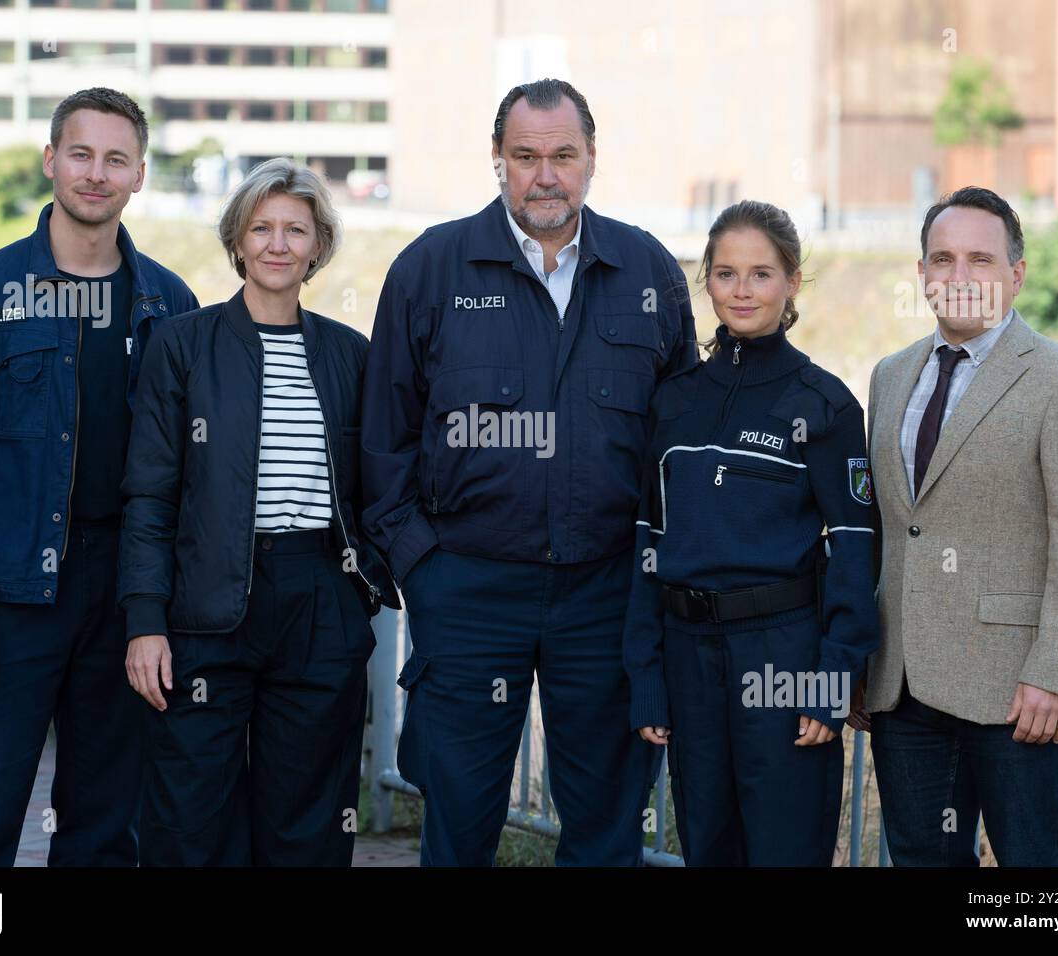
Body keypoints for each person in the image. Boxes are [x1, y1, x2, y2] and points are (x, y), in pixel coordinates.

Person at [362, 78, 698, 866]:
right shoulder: (429, 270)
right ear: (497, 160)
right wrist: (426, 572)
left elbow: (681, 441)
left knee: (607, 824)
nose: (545, 175)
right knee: (459, 817)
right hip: (470, 591)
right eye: (525, 157)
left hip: (608, 595)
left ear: (591, 160)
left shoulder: (648, 270)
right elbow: (382, 444)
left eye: (563, 156)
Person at [0, 88, 198, 865]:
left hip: (125, 598)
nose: (95, 174)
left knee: (106, 826)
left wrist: (158, 608)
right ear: (50, 162)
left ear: (139, 176)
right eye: (80, 154)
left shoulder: (170, 306)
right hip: (4, 595)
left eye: (115, 159)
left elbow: (194, 471)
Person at [118, 157, 396, 866]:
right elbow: (149, 494)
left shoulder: (350, 355)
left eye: (295, 230)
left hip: (319, 602)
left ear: (317, 246)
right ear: (237, 241)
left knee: (306, 818)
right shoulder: (182, 346)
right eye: (261, 228)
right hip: (207, 601)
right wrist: (145, 622)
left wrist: (363, 588)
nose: (278, 244)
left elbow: (378, 489)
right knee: (189, 816)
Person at [850, 186, 1058, 866]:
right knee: (921, 858)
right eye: (942, 259)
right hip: (902, 686)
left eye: (980, 258)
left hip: (1017, 691)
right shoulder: (890, 375)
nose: (959, 277)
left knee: (1033, 869)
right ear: (922, 275)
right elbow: (886, 529)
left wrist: (1056, 674)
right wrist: (859, 657)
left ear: (1016, 274)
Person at [623, 200, 879, 865]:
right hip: (688, 656)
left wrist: (832, 681)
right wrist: (648, 677)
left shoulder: (822, 404)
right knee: (708, 843)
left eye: (762, 274)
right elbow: (647, 542)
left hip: (783, 655)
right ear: (706, 279)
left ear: (793, 281)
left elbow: (855, 548)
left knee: (784, 845)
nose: (742, 290)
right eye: (727, 273)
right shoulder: (674, 402)